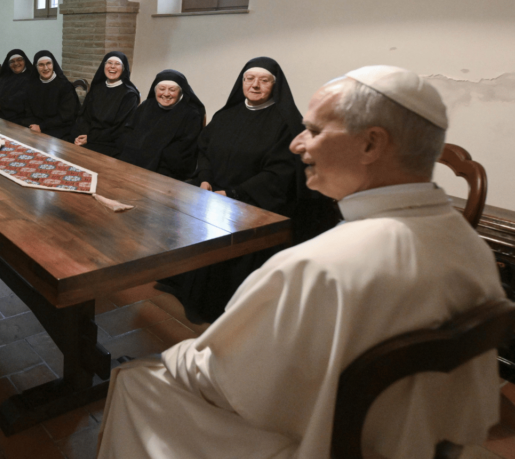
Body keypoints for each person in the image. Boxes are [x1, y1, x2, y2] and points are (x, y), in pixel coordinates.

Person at [96, 66, 503, 459]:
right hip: (411, 441)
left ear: (370, 144)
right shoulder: (468, 242)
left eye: (315, 131)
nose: (296, 144)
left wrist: (174, 357)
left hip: (320, 444)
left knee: (134, 379)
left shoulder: (318, 266)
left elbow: (223, 382)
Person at [160, 57, 302, 323]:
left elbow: (278, 173)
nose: (255, 86)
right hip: (212, 192)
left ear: (276, 84)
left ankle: (222, 307)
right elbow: (206, 150)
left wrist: (234, 194)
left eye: (264, 80)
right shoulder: (226, 114)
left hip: (253, 202)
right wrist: (204, 178)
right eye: (249, 79)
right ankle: (187, 288)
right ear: (242, 82)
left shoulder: (286, 123)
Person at [118, 70, 205, 179]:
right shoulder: (146, 105)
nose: (166, 94)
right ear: (155, 90)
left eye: (172, 90)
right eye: (162, 89)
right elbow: (129, 131)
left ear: (181, 92)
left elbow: (184, 151)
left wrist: (149, 153)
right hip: (134, 162)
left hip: (165, 170)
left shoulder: (191, 114)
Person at [70, 51, 140, 156]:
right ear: (104, 66)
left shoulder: (129, 95)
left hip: (110, 142)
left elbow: (120, 129)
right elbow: (85, 116)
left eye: (117, 64)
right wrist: (82, 135)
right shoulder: (96, 88)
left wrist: (90, 138)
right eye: (109, 63)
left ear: (124, 68)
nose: (112, 67)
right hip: (88, 135)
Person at [17, 50, 78, 139]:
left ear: (53, 65)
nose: (45, 68)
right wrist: (33, 125)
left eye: (48, 63)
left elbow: (66, 116)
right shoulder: (32, 85)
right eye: (41, 65)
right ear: (36, 67)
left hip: (59, 129)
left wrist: (41, 127)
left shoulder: (65, 86)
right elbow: (28, 110)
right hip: (36, 127)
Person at [0, 49, 33, 122]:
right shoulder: (3, 76)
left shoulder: (30, 78)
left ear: (25, 61)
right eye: (12, 61)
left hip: (14, 119)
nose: (16, 63)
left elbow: (21, 98)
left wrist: (0, 104)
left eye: (19, 60)